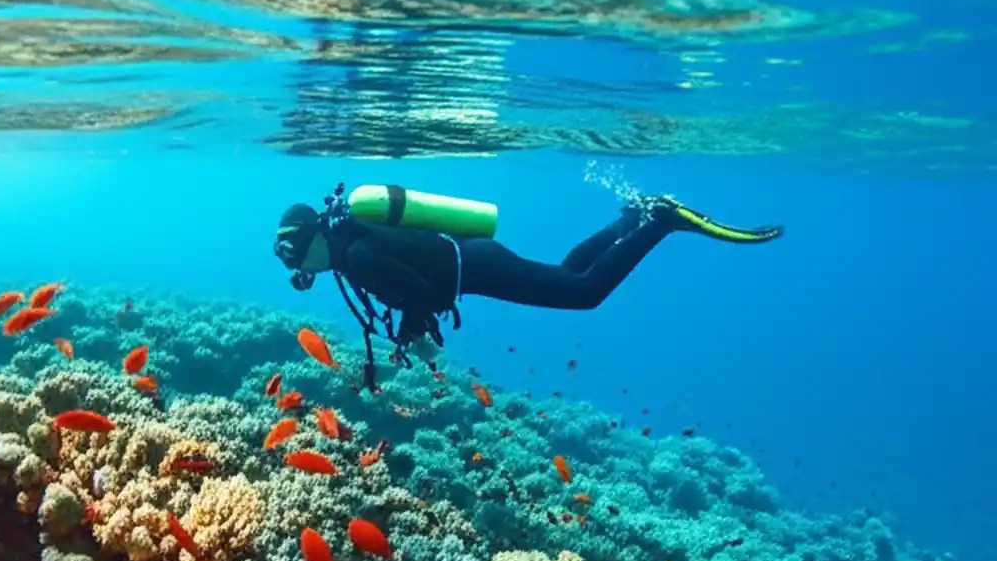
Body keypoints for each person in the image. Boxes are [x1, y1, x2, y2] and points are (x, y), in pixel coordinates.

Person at [274, 183, 782, 392]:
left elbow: (419, 294)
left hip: (475, 268)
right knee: (567, 274)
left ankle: (661, 220)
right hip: (473, 262)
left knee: (584, 293)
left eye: (294, 255)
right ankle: (630, 218)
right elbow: (412, 290)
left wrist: (414, 332)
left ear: (315, 236)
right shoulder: (348, 251)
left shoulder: (356, 255)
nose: (298, 268)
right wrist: (414, 325)